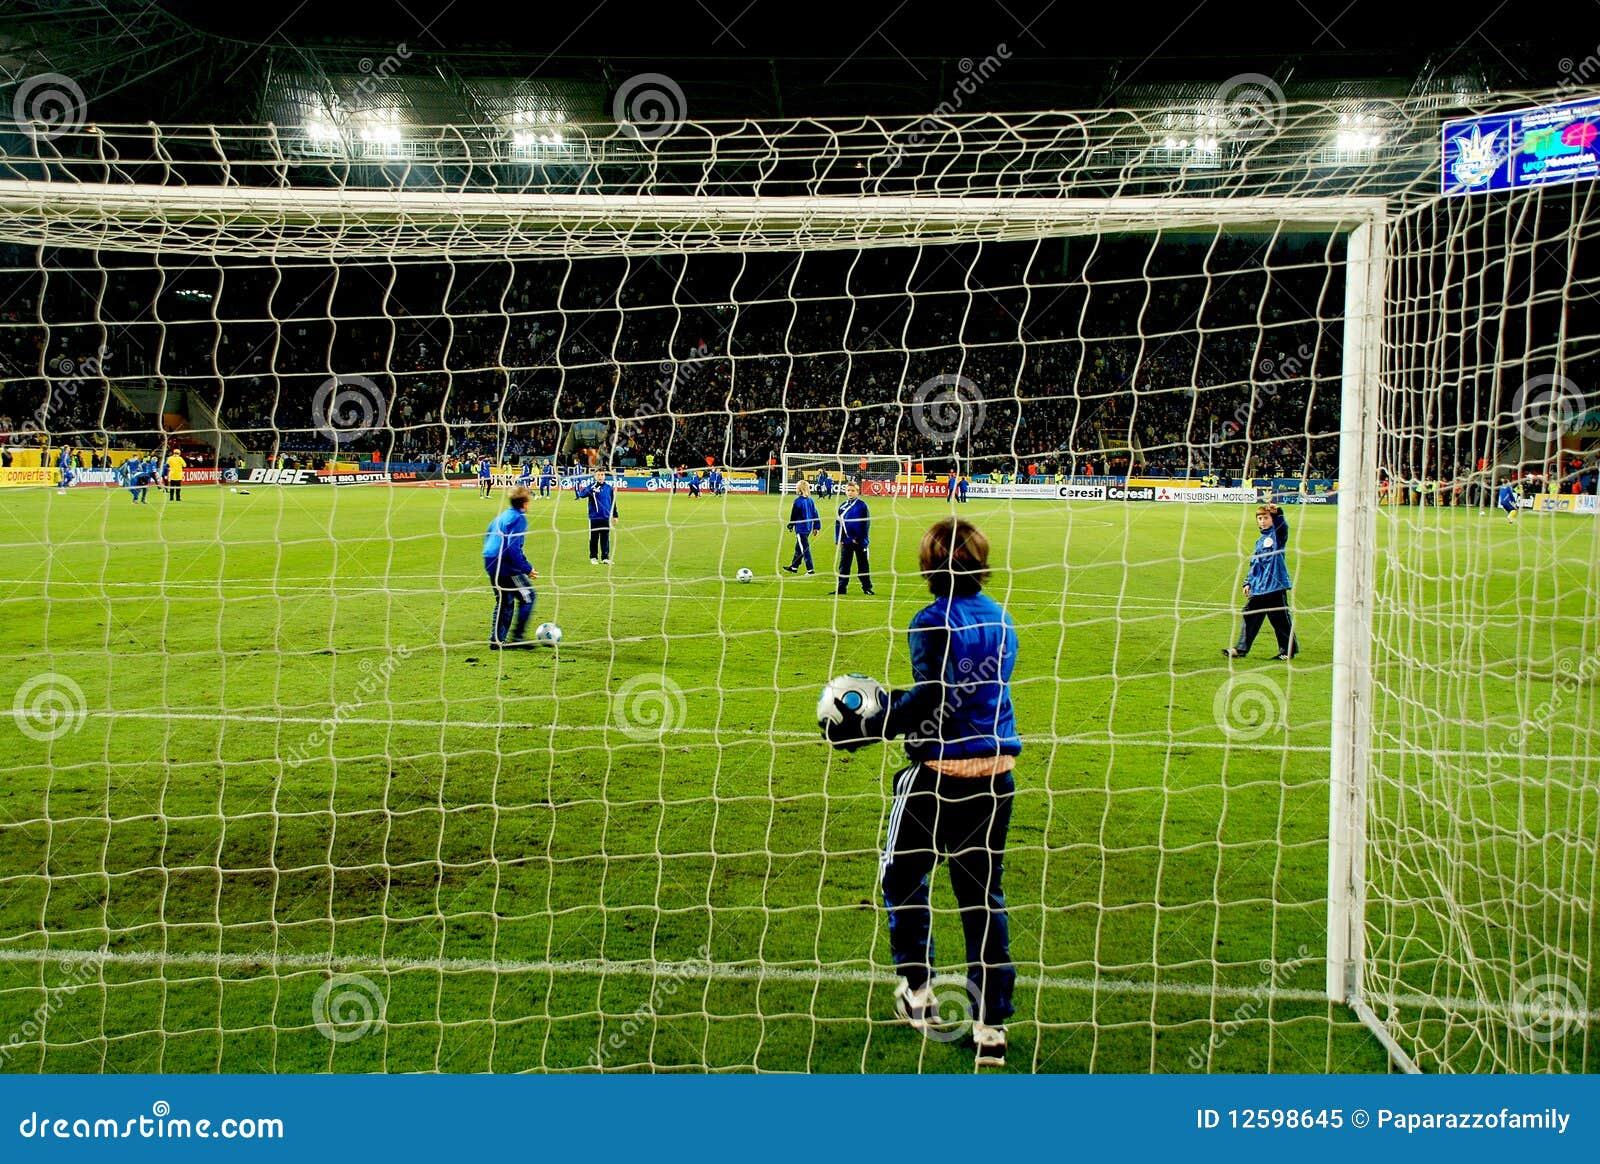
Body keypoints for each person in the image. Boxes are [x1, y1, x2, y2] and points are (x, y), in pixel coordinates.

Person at [869, 517, 1019, 1069]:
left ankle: (918, 992)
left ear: (928, 565)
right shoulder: (1001, 619)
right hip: (997, 778)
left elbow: (933, 697)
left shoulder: (932, 620)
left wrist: (877, 720)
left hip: (938, 778)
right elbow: (961, 692)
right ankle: (992, 1026)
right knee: (983, 899)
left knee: (902, 877)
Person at [1223, 504, 1298, 660]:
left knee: (1280, 620)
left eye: (1266, 518)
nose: (1263, 521)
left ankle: (1287, 651)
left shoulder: (1277, 536)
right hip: (1259, 587)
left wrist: (1278, 514)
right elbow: (1254, 564)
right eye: (1260, 518)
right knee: (1250, 614)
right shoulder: (1260, 541)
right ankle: (1240, 649)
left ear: (1272, 519)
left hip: (1275, 586)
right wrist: (1247, 582)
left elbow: (1282, 528)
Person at [482, 484, 537, 649]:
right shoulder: (519, 519)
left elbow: (488, 534)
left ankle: (497, 640)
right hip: (504, 563)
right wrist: (527, 569)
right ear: (524, 503)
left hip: (490, 559)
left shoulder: (503, 515)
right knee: (528, 597)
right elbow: (513, 548)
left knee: (504, 600)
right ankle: (518, 638)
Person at [834, 478, 874, 596]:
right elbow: (838, 524)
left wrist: (859, 539)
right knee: (844, 566)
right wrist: (839, 539)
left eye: (852, 490)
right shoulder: (842, 506)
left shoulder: (862, 506)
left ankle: (867, 587)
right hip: (846, 541)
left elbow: (865, 524)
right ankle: (841, 588)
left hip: (859, 542)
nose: (850, 492)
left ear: (857, 492)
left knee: (863, 566)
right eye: (848, 490)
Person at [576, 467, 619, 565]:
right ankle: (593, 557)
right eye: (598, 475)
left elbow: (613, 502)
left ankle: (605, 557)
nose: (600, 477)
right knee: (594, 538)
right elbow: (582, 495)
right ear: (595, 476)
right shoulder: (591, 487)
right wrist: (591, 490)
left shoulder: (609, 488)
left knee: (605, 538)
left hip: (606, 517)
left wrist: (615, 515)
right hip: (595, 517)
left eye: (602, 475)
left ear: (604, 476)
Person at [782, 478, 821, 575]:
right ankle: (794, 567)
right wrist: (816, 527)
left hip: (801, 529)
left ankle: (810, 570)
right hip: (807, 528)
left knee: (805, 549)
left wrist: (791, 525)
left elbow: (794, 515)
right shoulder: (810, 501)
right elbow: (816, 514)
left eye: (796, 488)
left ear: (799, 490)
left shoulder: (798, 501)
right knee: (798, 548)